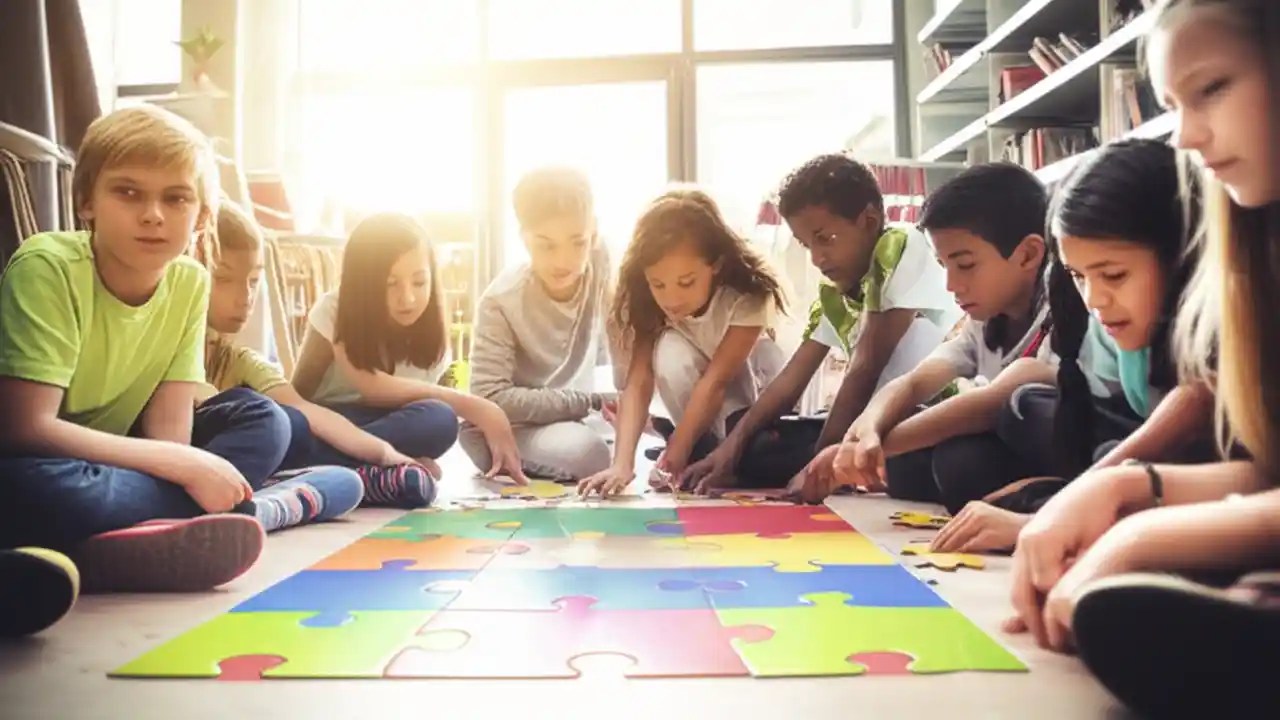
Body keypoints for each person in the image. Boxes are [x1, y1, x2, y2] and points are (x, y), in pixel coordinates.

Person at [1009, 2, 1280, 716]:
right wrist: (1123, 493)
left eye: (1213, 87)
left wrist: (1140, 522)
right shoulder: (1253, 260)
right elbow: (1267, 468)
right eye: (1171, 104)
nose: (1186, 135)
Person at [0, 106, 285, 593]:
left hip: (119, 459)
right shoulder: (47, 266)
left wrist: (185, 461)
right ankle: (143, 532)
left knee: (268, 421)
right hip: (38, 460)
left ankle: (109, 539)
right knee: (38, 490)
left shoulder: (190, 281)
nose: (153, 214)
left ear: (202, 218)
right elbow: (25, 428)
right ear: (86, 201)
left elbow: (170, 430)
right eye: (128, 192)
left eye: (176, 198)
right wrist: (190, 469)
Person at [932, 139, 1206, 553]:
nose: (1094, 299)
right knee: (975, 452)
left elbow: (1173, 450)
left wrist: (1045, 517)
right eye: (1079, 276)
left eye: (1114, 275)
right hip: (1125, 463)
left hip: (1197, 481)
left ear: (1177, 257)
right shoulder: (1101, 328)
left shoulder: (1212, 336)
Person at [680, 154, 960, 494]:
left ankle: (834, 468)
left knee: (928, 463)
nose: (816, 257)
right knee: (749, 437)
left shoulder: (899, 248)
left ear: (869, 221)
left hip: (918, 419)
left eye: (825, 238)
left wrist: (819, 466)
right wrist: (730, 449)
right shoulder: (836, 291)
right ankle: (821, 463)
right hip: (860, 426)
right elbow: (791, 380)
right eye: (805, 244)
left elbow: (865, 366)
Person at [821, 163, 1057, 509]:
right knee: (912, 457)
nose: (951, 285)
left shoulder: (1064, 310)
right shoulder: (986, 320)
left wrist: (864, 451)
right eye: (943, 265)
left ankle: (1043, 495)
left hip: (1064, 449)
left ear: (1028, 254)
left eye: (965, 265)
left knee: (962, 461)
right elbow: (914, 382)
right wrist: (868, 429)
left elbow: (993, 403)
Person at [203, 200, 429, 508]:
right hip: (194, 466)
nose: (245, 298)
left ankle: (342, 479)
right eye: (223, 279)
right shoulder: (164, 350)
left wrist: (386, 454)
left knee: (296, 428)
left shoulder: (240, 360)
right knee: (266, 418)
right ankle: (277, 495)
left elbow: (305, 410)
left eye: (254, 282)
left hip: (255, 458)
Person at [577, 187, 786, 497]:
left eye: (686, 282)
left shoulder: (748, 294)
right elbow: (638, 381)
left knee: (758, 457)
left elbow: (716, 382)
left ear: (715, 264)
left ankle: (701, 449)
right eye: (658, 284)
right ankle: (694, 448)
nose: (671, 299)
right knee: (670, 352)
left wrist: (674, 454)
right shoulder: (646, 299)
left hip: (750, 388)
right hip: (696, 399)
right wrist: (622, 464)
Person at [291, 212, 527, 485]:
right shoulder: (335, 309)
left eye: (419, 282)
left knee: (439, 419)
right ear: (362, 285)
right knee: (285, 425)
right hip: (328, 422)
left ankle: (368, 465)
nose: (408, 298)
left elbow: (417, 407)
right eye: (390, 284)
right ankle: (359, 464)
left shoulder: (430, 329)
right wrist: (481, 408)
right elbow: (360, 389)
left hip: (386, 427)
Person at [461, 167, 614, 481]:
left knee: (631, 438)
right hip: (509, 426)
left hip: (570, 418)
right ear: (525, 239)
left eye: (578, 242)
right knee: (592, 455)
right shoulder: (501, 301)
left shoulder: (600, 261)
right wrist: (588, 401)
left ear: (593, 234)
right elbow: (489, 397)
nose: (564, 260)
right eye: (546, 245)